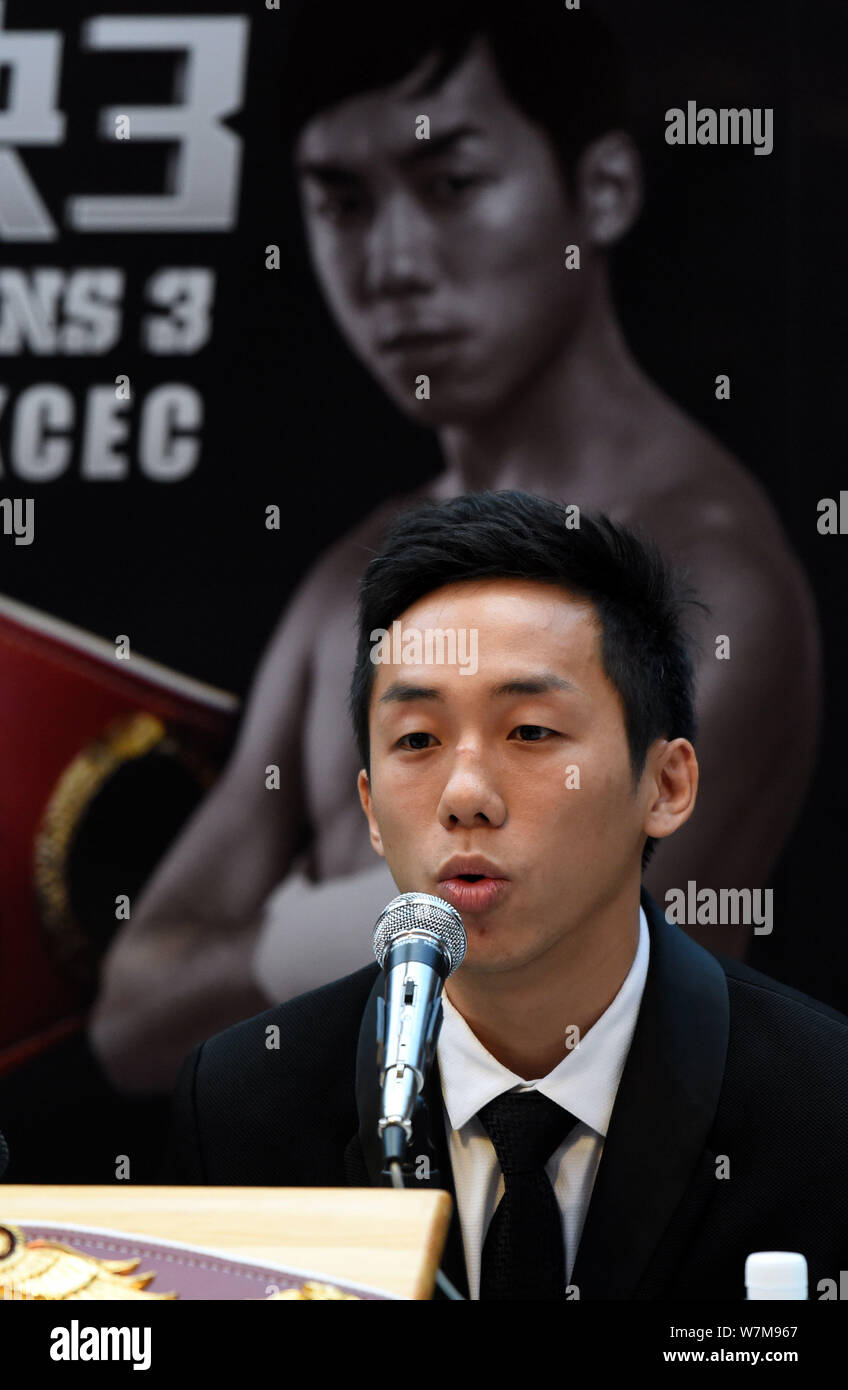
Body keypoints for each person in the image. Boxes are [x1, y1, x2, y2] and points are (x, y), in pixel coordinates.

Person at [89, 3, 821, 1095]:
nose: (389, 263)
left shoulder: (708, 579)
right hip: (323, 1249)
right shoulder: (349, 577)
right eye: (341, 201)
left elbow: (566, 986)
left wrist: (295, 935)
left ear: (603, 192)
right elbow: (133, 1012)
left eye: (450, 185)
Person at [161, 492, 847, 1302]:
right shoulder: (244, 1103)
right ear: (371, 807)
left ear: (666, 784)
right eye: (417, 740)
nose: (466, 794)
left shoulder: (824, 1106)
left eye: (530, 732)